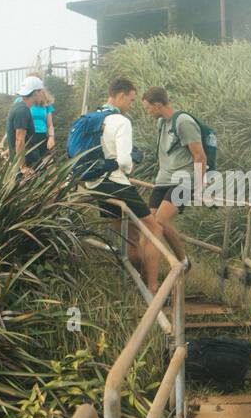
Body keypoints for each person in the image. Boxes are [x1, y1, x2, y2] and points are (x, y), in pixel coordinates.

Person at [82, 78, 157, 288]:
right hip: (114, 181)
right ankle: (152, 287)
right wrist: (128, 168)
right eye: (131, 100)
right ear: (121, 95)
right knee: (154, 228)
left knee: (130, 236)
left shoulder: (94, 116)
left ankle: (134, 283)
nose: (131, 105)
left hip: (94, 183)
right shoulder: (121, 121)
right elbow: (124, 161)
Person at [141, 86, 206, 285]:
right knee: (151, 223)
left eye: (148, 108)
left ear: (158, 105)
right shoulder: (161, 122)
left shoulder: (184, 122)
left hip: (183, 180)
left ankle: (183, 262)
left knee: (159, 221)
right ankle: (166, 268)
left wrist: (199, 187)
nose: (147, 112)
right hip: (163, 179)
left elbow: (199, 156)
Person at [3, 75, 49, 179]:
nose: (43, 94)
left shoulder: (19, 108)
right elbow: (20, 140)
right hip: (29, 165)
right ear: (36, 92)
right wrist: (23, 167)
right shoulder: (22, 111)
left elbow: (16, 137)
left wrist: (8, 151)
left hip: (28, 162)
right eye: (41, 91)